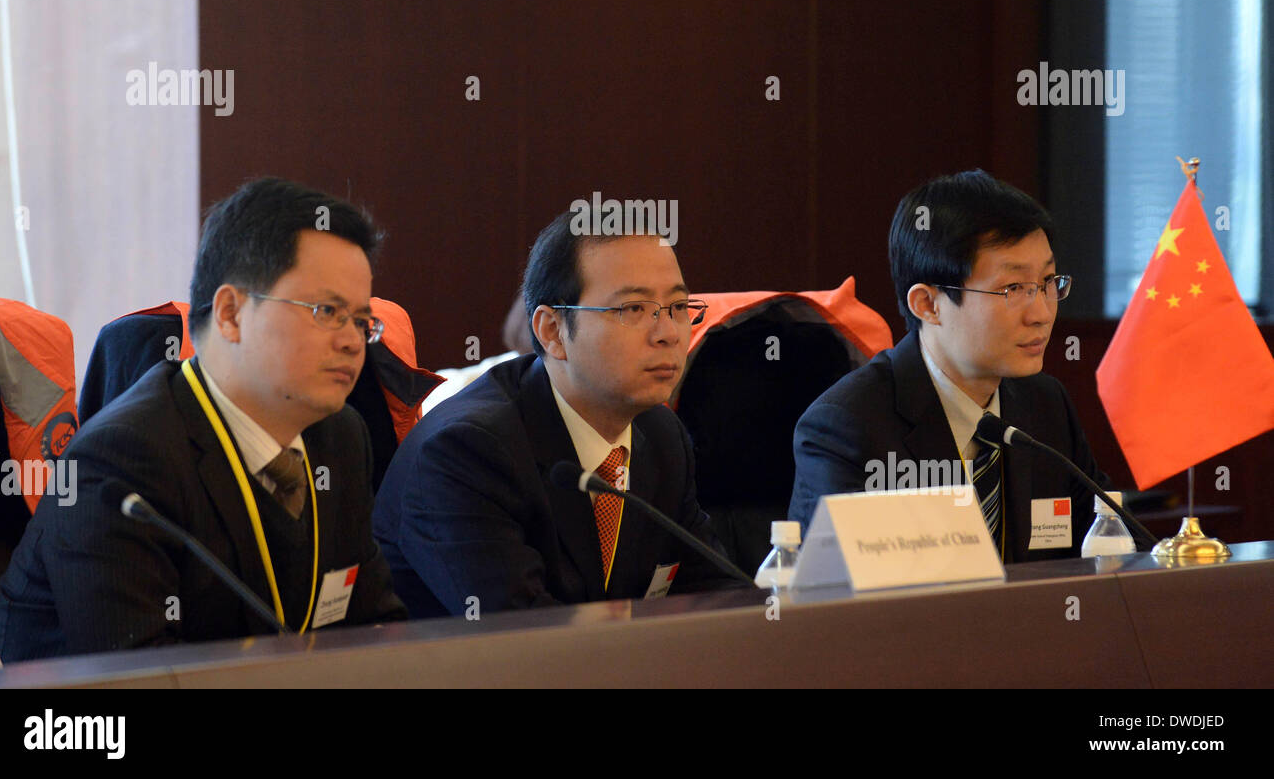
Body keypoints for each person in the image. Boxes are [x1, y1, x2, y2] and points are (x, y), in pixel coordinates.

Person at [0, 178, 406, 660]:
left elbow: (376, 625)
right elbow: (142, 677)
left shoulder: (340, 438)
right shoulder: (123, 460)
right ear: (230, 313)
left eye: (361, 320)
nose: (353, 341)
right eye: (326, 311)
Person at [373, 210, 737, 616]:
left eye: (677, 306)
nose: (668, 332)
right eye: (633, 309)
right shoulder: (466, 452)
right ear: (552, 331)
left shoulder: (660, 433)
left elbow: (715, 592)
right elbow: (529, 638)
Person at [789, 169, 1112, 562]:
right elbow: (835, 601)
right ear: (927, 304)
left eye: (1047, 282)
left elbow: (1110, 544)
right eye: (1013, 289)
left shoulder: (1045, 406)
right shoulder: (848, 427)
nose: (1042, 313)